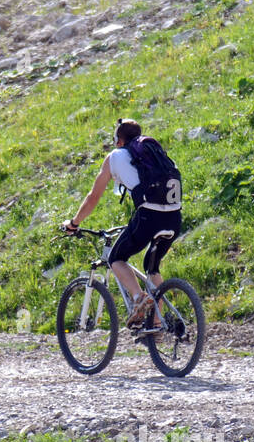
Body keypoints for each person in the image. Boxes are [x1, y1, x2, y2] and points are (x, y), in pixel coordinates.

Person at [61, 119, 182, 328]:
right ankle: (156, 324)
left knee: (116, 258)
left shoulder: (115, 157)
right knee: (152, 268)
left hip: (149, 216)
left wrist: (74, 222)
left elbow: (93, 197)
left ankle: (138, 298)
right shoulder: (153, 154)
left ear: (118, 141)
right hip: (174, 216)